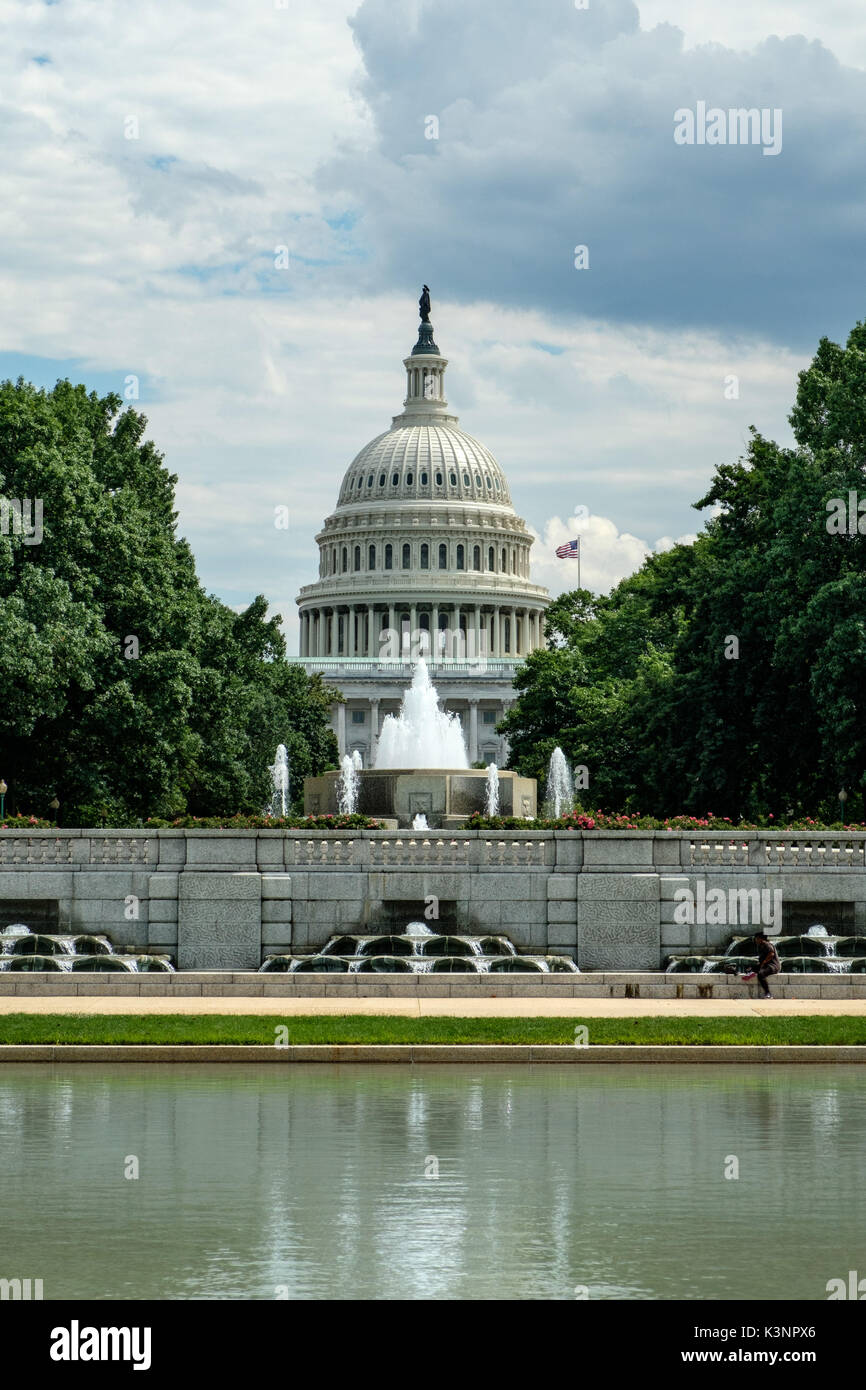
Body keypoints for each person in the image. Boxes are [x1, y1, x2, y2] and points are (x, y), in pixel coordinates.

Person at [747, 931, 780, 999]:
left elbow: (771, 954)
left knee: (761, 974)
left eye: (756, 938)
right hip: (766, 965)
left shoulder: (767, 944)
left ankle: (768, 993)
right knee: (751, 969)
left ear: (760, 939)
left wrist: (764, 962)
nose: (755, 940)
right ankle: (750, 974)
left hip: (773, 966)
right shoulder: (760, 946)